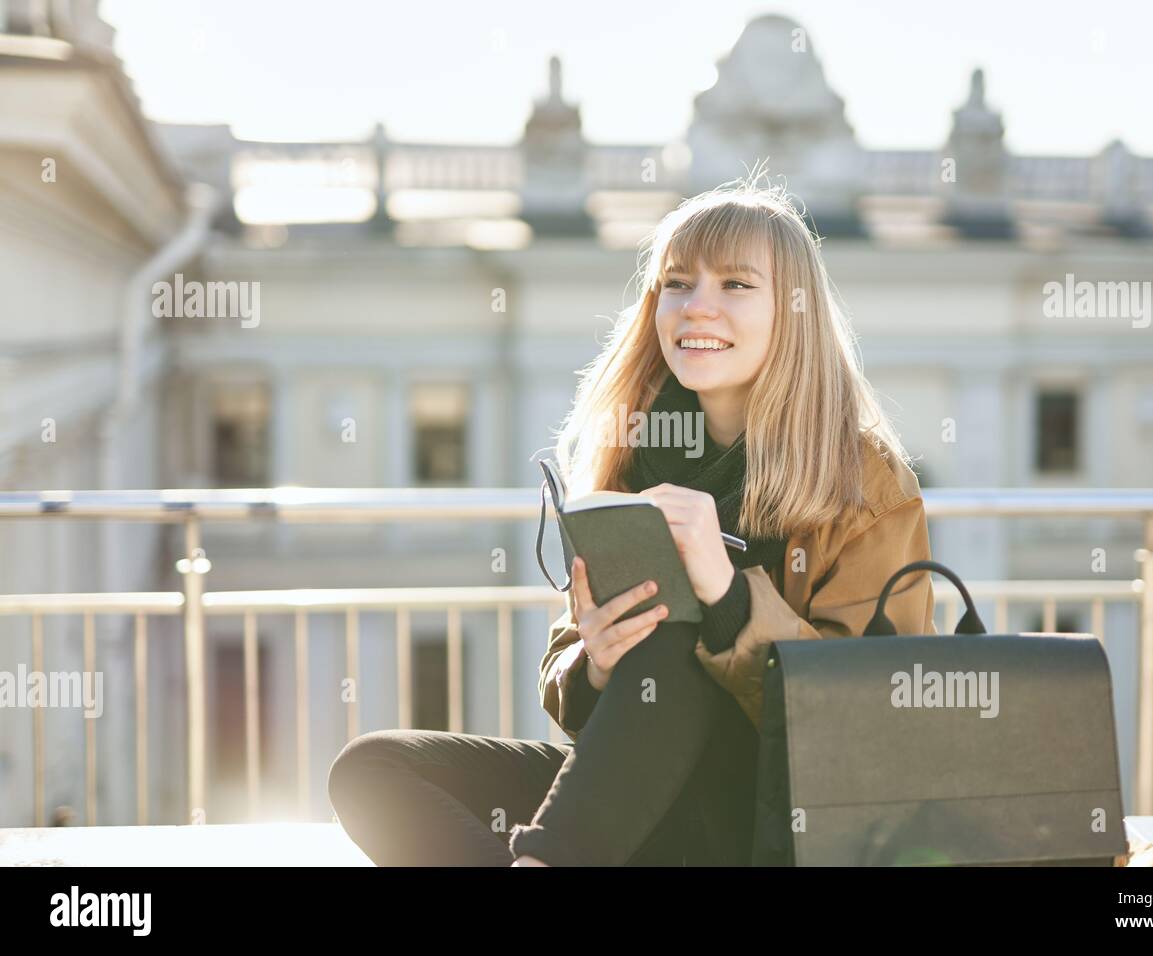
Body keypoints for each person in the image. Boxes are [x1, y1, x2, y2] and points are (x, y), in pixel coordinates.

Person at [327, 170, 938, 866]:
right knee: (374, 770)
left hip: (775, 824)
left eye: (735, 285)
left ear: (793, 310)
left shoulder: (863, 480)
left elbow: (868, 720)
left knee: (674, 635)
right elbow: (569, 668)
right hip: (641, 803)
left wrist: (729, 597)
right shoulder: (635, 452)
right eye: (677, 283)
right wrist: (590, 661)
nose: (696, 307)